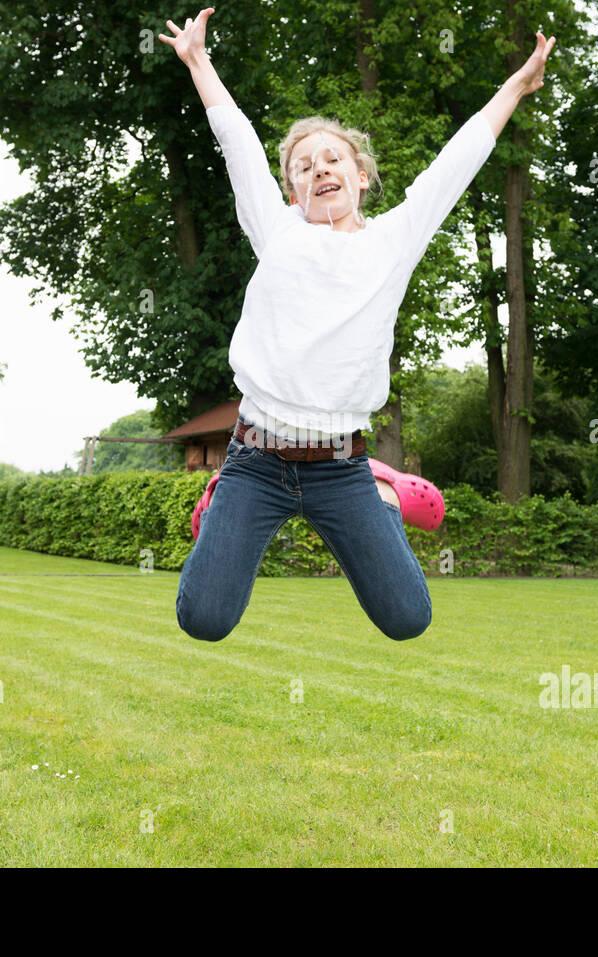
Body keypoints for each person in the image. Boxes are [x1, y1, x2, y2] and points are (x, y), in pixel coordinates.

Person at [160, 6, 555, 642]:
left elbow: (457, 164)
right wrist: (199, 62)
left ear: (361, 176)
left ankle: (384, 489)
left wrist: (515, 84)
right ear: (291, 192)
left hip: (342, 466)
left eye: (332, 159)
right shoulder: (278, 231)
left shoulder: (392, 242)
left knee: (407, 619)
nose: (319, 168)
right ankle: (219, 498)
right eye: (303, 166)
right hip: (256, 460)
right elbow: (234, 142)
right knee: (203, 620)